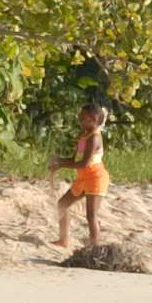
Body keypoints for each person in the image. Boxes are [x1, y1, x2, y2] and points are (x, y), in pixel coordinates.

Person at [52, 103, 110, 252]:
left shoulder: (94, 138)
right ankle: (63, 239)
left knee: (91, 215)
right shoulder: (83, 136)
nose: (80, 120)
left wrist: (61, 165)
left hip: (96, 178)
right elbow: (74, 159)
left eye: (83, 118)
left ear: (94, 119)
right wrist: (59, 161)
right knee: (62, 205)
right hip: (83, 179)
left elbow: (84, 163)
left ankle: (94, 247)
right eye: (80, 117)